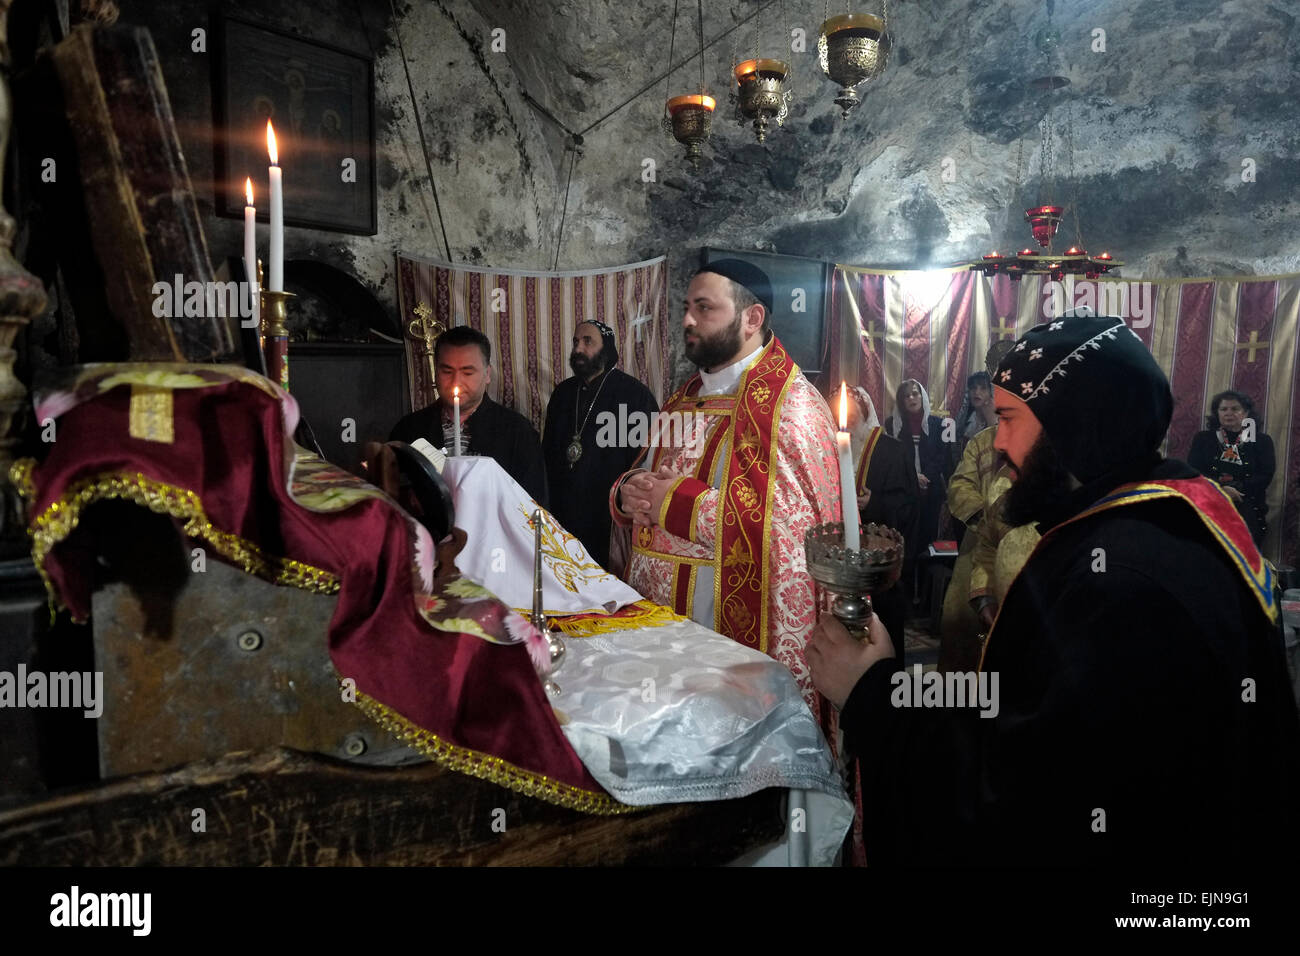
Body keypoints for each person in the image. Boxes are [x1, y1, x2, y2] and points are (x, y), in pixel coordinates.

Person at [807, 314, 1300, 865]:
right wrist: (901, 689)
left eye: (1010, 419)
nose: (998, 445)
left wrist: (872, 695)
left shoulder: (1126, 582)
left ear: (1077, 425)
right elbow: (1016, 697)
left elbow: (1032, 797)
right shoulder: (1159, 515)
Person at [610, 260, 841, 708]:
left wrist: (676, 504)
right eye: (685, 307)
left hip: (723, 637)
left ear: (751, 318)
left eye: (703, 307)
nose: (687, 320)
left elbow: (796, 538)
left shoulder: (792, 408)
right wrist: (627, 491)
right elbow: (648, 473)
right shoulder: (686, 395)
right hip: (657, 633)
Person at [542, 320, 659, 571]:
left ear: (605, 349)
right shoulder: (563, 394)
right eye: (575, 342)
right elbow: (548, 455)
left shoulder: (634, 395)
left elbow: (645, 462)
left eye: (587, 341)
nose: (578, 348)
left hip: (609, 518)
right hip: (563, 514)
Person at [390, 325, 548, 506]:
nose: (456, 382)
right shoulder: (409, 429)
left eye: (467, 372)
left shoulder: (517, 432)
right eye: (447, 371)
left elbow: (534, 506)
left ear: (487, 374)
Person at [846, 386, 914, 661]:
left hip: (879, 565)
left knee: (882, 636)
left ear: (865, 414)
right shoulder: (826, 448)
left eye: (853, 414)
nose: (848, 422)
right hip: (842, 560)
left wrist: (876, 502)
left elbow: (909, 504)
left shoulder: (892, 451)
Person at [885, 379, 954, 608]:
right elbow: (893, 460)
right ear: (901, 401)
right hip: (905, 496)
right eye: (906, 396)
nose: (912, 399)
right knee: (906, 546)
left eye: (915, 394)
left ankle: (924, 601)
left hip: (931, 494)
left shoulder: (941, 424)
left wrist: (926, 477)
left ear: (922, 396)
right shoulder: (892, 424)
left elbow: (943, 458)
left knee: (927, 544)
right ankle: (904, 601)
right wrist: (913, 478)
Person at [1187, 390, 1275, 548]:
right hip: (1208, 499)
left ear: (1246, 412)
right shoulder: (1203, 438)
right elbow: (1194, 471)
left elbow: (1265, 475)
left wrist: (1236, 489)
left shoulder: (1262, 441)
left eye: (1235, 409)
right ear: (1217, 413)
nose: (1229, 413)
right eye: (1223, 409)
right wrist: (1221, 489)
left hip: (1247, 500)